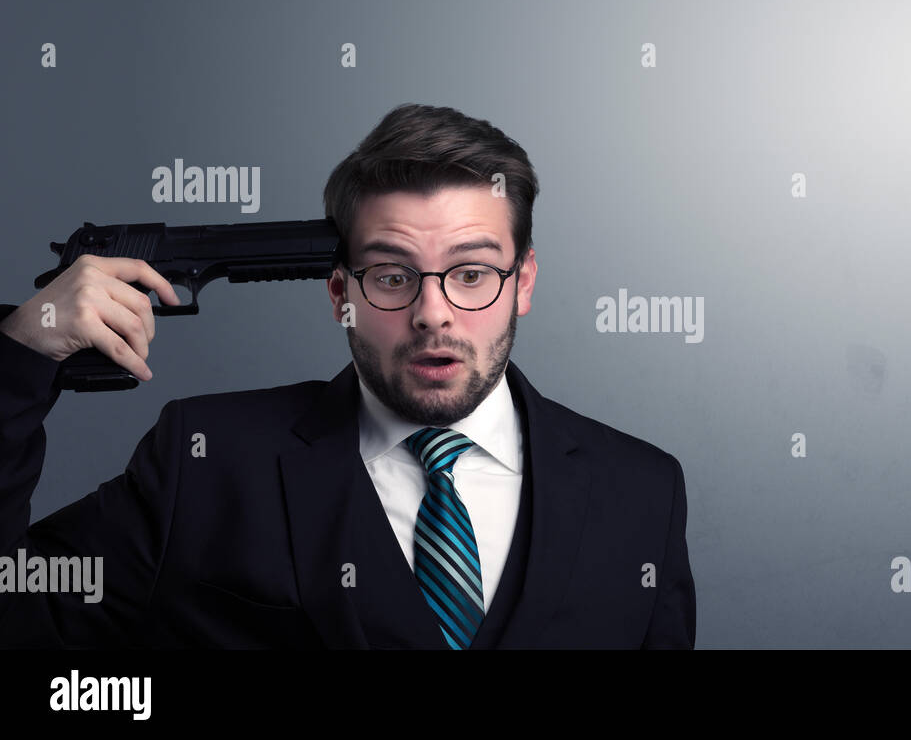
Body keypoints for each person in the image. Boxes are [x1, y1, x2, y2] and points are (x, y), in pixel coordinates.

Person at [0, 103, 696, 649]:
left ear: (524, 283)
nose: (433, 313)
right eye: (392, 276)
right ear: (341, 296)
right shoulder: (204, 461)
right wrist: (22, 353)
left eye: (473, 274)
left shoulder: (644, 492)